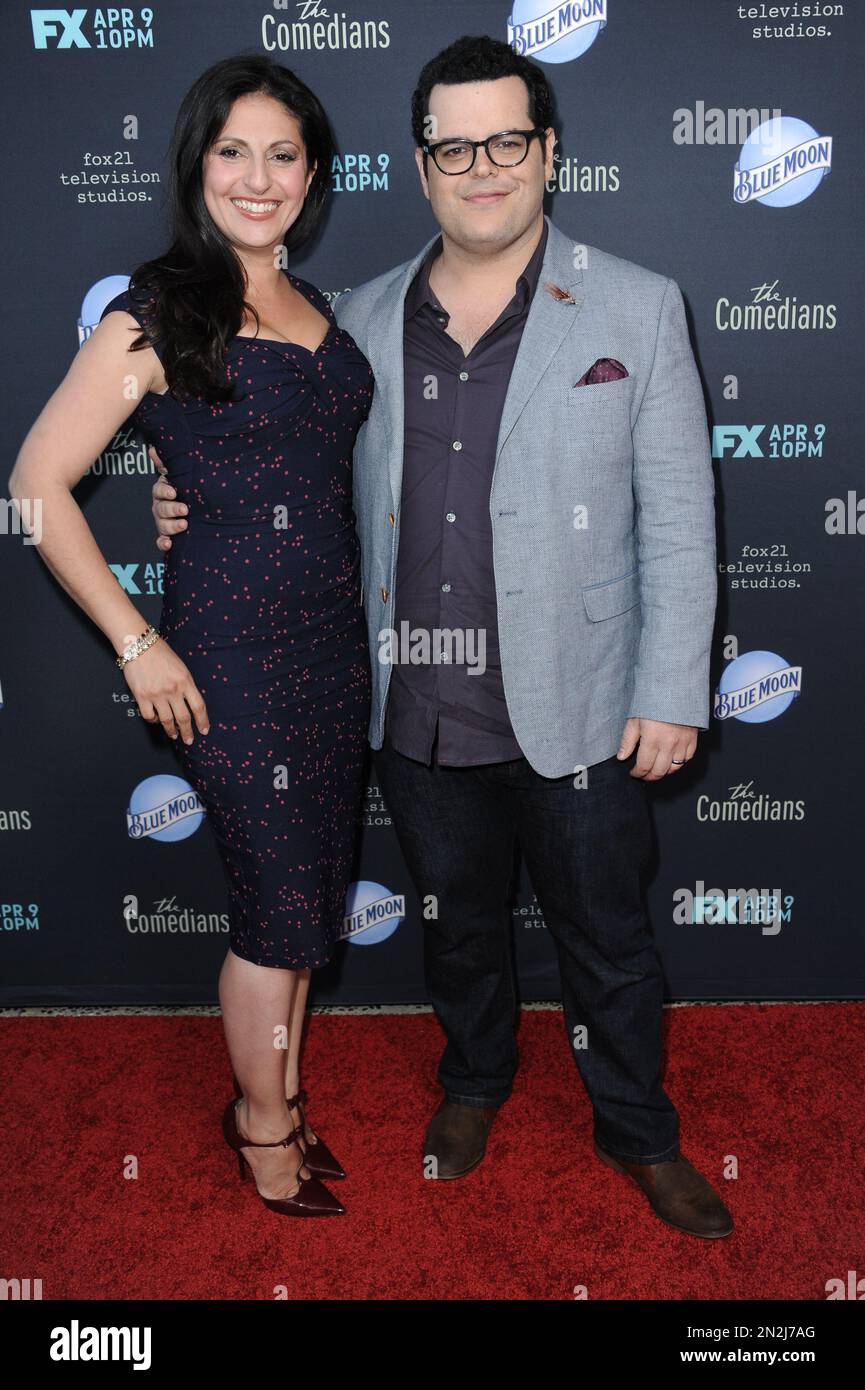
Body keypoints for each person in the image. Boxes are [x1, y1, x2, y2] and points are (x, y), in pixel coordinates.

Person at [152, 36, 731, 1238]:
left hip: (579, 700)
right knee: (456, 930)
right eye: (453, 145)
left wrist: (672, 687)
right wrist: (184, 499)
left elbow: (680, 520)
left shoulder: (637, 305)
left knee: (608, 942)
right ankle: (471, 1083)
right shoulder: (351, 321)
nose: (482, 167)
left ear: (548, 151)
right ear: (422, 167)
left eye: (506, 140)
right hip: (411, 705)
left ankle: (638, 1128)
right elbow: (287, 471)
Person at [9, 55, 376, 1218]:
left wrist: (189, 483)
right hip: (226, 654)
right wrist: (136, 643)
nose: (258, 178)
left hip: (332, 643)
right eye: (233, 152)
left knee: (310, 896)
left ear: (313, 173)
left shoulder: (320, 304)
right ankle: (262, 1124)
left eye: (283, 154)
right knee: (276, 908)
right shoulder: (158, 306)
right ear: (196, 164)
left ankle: (288, 1090)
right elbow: (37, 485)